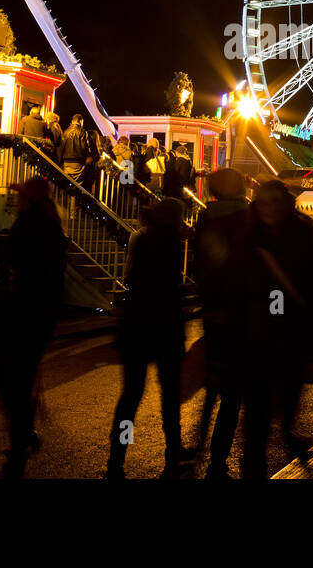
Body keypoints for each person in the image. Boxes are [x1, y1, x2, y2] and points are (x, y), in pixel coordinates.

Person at [239, 180, 313, 479]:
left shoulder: (305, 242)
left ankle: (287, 436)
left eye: (276, 202)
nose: (271, 209)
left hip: (290, 342)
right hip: (259, 343)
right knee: (255, 426)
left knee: (282, 410)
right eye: (264, 203)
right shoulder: (249, 242)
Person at [106, 199, 189, 478]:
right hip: (165, 328)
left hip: (138, 328)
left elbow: (133, 278)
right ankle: (173, 452)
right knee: (169, 396)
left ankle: (116, 460)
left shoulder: (143, 239)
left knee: (131, 397)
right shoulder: (171, 242)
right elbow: (169, 285)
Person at [0, 176, 66, 478]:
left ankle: (20, 439)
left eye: (21, 195)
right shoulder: (49, 224)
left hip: (26, 312)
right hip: (39, 314)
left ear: (31, 199)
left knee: (13, 379)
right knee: (21, 377)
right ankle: (23, 432)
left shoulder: (30, 225)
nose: (16, 200)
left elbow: (18, 262)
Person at [190, 168, 250, 477]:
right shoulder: (247, 218)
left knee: (214, 383)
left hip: (213, 313)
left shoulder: (206, 216)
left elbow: (200, 264)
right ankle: (217, 457)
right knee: (233, 393)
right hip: (238, 317)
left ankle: (196, 442)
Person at [59, 115, 88, 184]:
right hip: (77, 162)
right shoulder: (83, 132)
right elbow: (84, 147)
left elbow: (61, 147)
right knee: (77, 184)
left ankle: (66, 194)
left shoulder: (65, 131)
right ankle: (74, 195)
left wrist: (60, 160)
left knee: (66, 182)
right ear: (80, 121)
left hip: (66, 161)